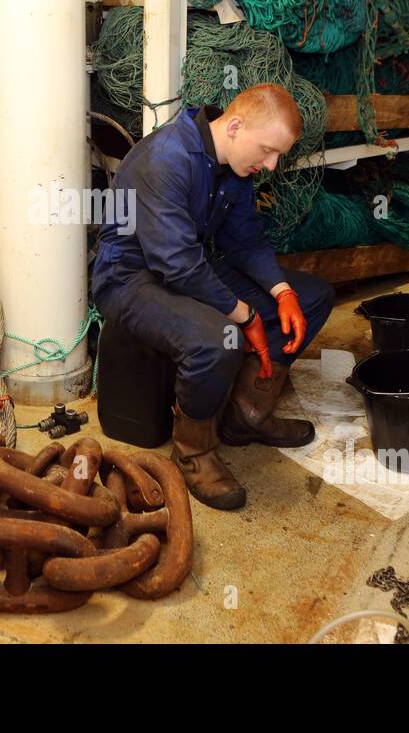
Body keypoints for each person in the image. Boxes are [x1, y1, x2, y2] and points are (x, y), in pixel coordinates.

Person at [92, 83, 334, 511]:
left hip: (184, 267)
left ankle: (245, 417)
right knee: (216, 338)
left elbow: (244, 242)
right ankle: (193, 452)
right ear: (236, 126)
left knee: (313, 295)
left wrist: (282, 293)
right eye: (268, 150)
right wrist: (246, 317)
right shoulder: (167, 159)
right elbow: (177, 264)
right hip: (130, 278)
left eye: (279, 155)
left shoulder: (235, 165)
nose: (272, 164)